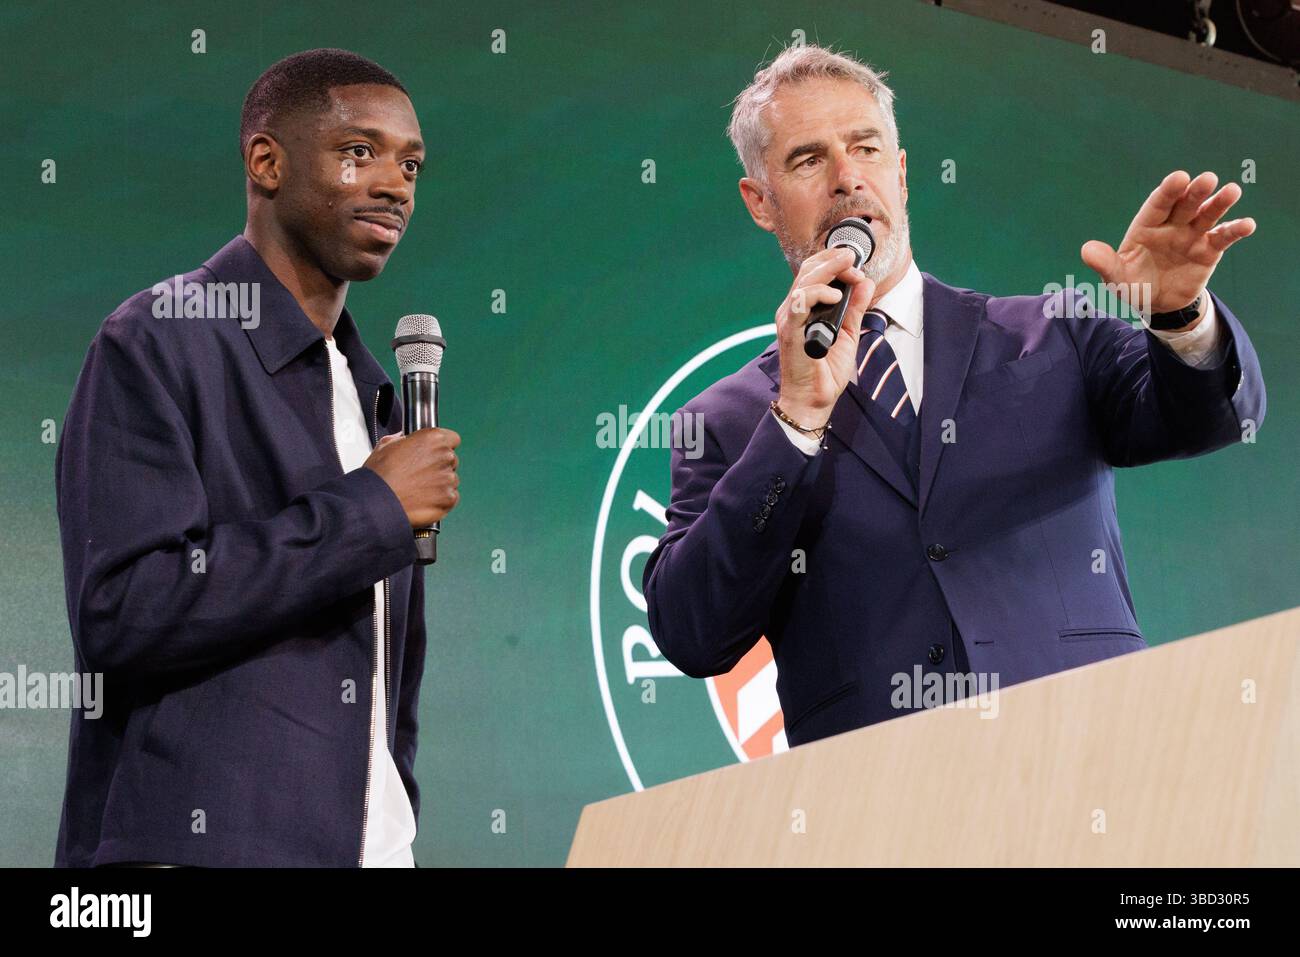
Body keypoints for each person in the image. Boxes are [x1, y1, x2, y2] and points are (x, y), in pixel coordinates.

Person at [643, 45, 1265, 748]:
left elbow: (1212, 417)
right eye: (809, 160)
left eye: (866, 147)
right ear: (760, 201)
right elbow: (694, 632)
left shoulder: (1053, 332)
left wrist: (1181, 315)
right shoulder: (724, 421)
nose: (848, 179)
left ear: (902, 174)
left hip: (1097, 759)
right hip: (880, 809)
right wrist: (794, 421)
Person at [54, 48, 459, 867]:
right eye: (359, 153)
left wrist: (395, 817)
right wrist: (368, 513)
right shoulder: (158, 339)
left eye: (411, 164)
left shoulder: (371, 390)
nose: (396, 185)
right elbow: (124, 609)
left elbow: (387, 684)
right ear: (266, 162)